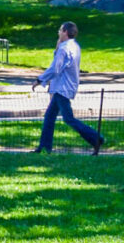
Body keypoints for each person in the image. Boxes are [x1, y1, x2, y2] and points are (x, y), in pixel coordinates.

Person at [31, 22, 104, 153]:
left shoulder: (64, 49)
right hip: (67, 86)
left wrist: (39, 79)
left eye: (60, 30)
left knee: (68, 119)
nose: (58, 32)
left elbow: (55, 68)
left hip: (61, 88)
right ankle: (44, 147)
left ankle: (96, 138)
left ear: (65, 31)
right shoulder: (74, 46)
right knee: (49, 117)